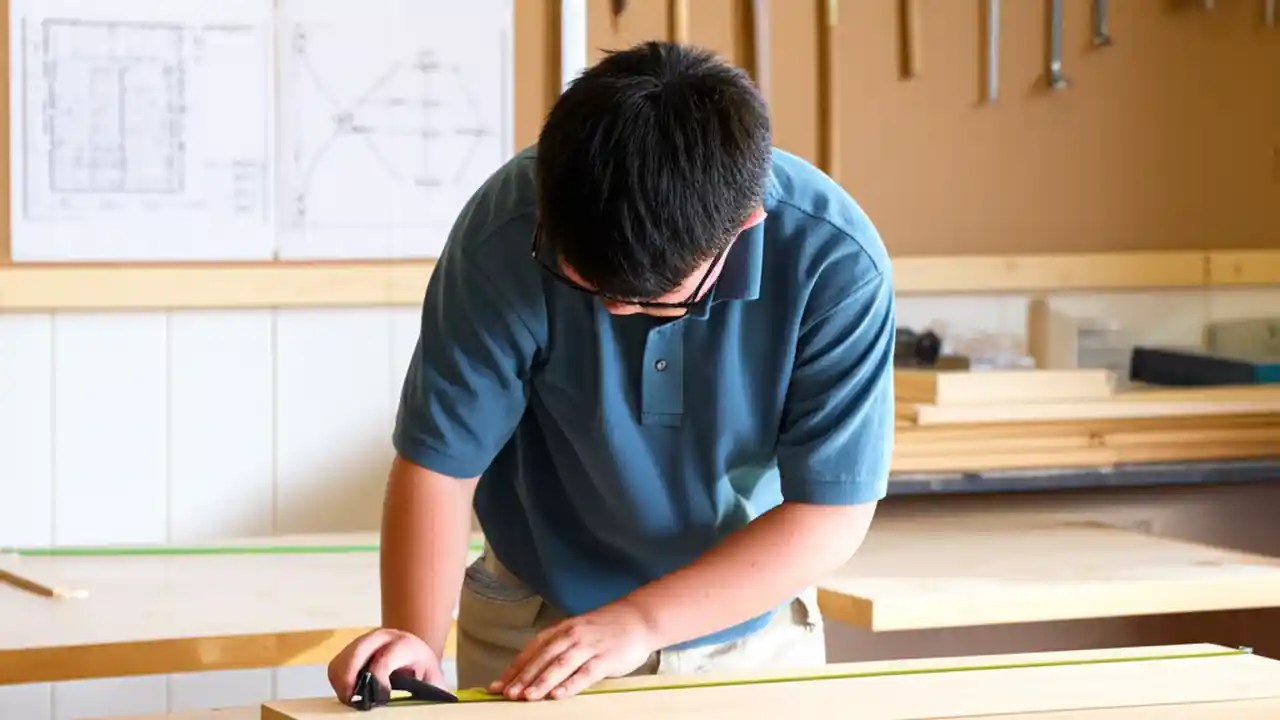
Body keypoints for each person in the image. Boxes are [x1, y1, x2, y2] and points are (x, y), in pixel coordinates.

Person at [327, 40, 896, 705]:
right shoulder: (507, 228)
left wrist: (640, 622)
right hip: (534, 623)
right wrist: (414, 642)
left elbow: (830, 513)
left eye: (652, 296)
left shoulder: (836, 262)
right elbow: (439, 465)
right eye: (584, 284)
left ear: (743, 229)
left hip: (746, 629)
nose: (616, 308)